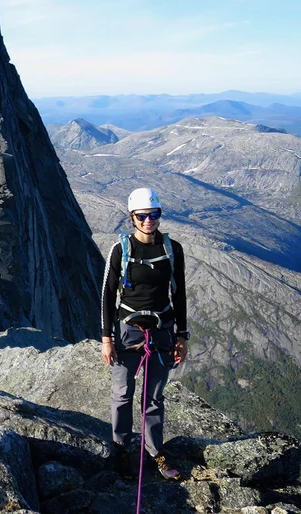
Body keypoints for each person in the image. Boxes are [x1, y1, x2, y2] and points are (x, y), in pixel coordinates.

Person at [100, 187, 189, 480]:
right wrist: (106, 338)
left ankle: (155, 452)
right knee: (123, 394)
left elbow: (179, 293)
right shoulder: (121, 250)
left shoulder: (172, 249)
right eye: (143, 215)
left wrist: (182, 335)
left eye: (154, 214)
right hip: (127, 332)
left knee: (153, 398)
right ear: (132, 217)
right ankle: (121, 449)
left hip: (161, 332)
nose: (149, 220)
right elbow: (108, 294)